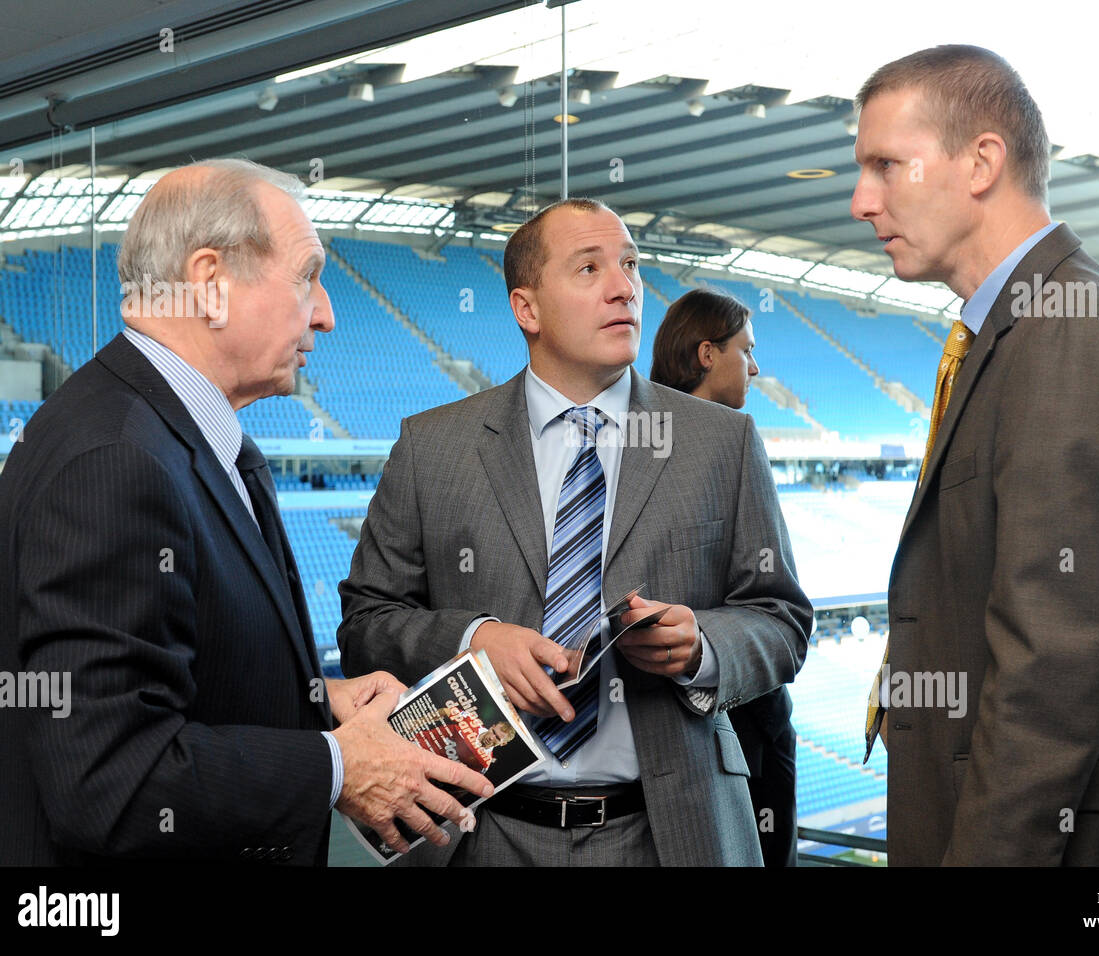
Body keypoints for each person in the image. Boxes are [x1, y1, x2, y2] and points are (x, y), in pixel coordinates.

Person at [0, 158, 493, 866]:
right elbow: (114, 782)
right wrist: (337, 765)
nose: (327, 313)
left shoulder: (174, 437)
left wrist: (313, 701)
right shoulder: (116, 460)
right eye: (307, 275)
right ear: (211, 284)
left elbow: (179, 686)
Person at [852, 45, 1099, 865]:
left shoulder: (1068, 334)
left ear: (982, 163)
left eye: (887, 165)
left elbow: (1050, 676)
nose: (862, 201)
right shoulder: (1032, 324)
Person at [338, 197, 812, 866]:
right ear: (526, 308)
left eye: (630, 266)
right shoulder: (432, 446)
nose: (623, 287)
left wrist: (703, 645)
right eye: (589, 268)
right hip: (482, 835)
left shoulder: (721, 442)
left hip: (669, 836)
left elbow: (781, 620)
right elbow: (365, 624)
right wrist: (473, 642)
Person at [649, 287, 798, 868]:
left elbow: (776, 606)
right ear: (707, 353)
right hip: (723, 726)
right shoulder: (728, 441)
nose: (756, 367)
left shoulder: (711, 440)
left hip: (739, 710)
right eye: (747, 350)